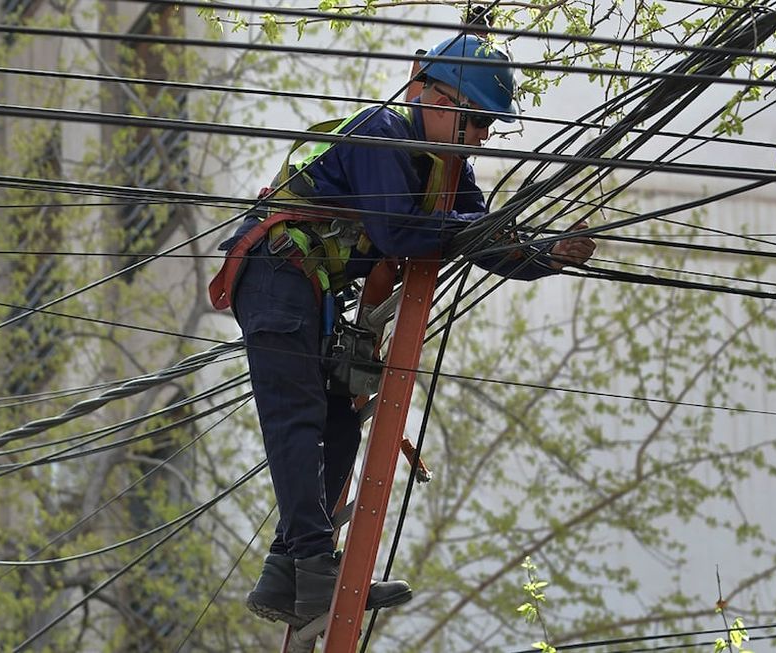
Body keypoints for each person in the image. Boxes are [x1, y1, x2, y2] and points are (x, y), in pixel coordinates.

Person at [213, 33, 597, 626]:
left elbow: (480, 241)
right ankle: (317, 570)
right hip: (275, 277)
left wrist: (546, 253)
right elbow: (401, 236)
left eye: (487, 128)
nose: (479, 139)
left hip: (305, 291)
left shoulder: (446, 170)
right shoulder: (381, 132)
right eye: (473, 122)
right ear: (431, 96)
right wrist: (484, 227)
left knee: (338, 420)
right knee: (297, 421)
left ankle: (284, 575)